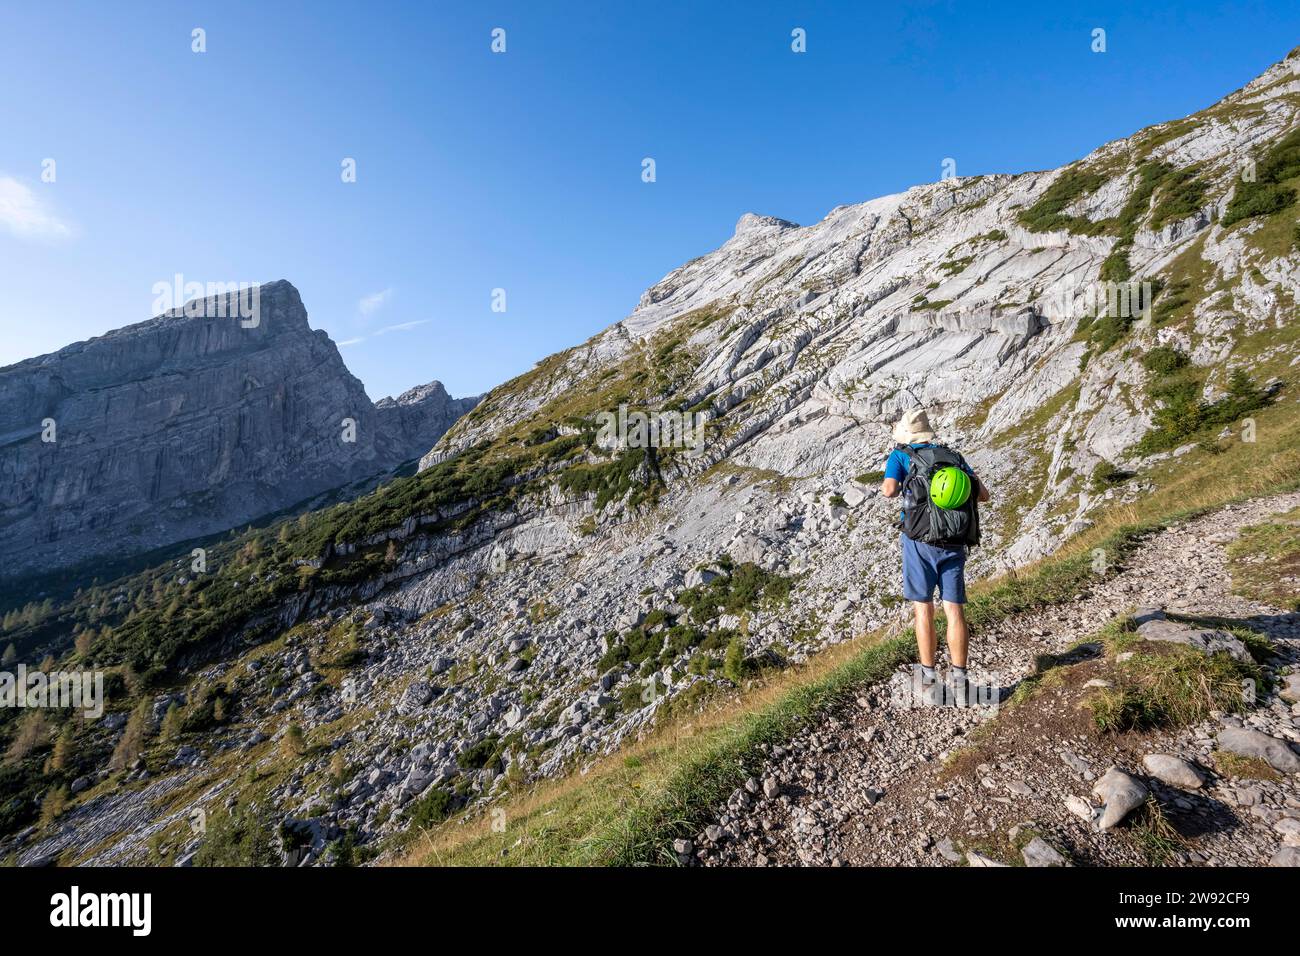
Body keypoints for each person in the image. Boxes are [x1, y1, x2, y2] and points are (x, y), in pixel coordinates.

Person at [879, 408, 989, 705]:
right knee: (954, 610)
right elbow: (983, 495)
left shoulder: (900, 455)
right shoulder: (952, 456)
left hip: (919, 542)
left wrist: (897, 484)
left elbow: (889, 490)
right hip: (954, 541)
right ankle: (961, 681)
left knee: (923, 608)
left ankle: (928, 679)